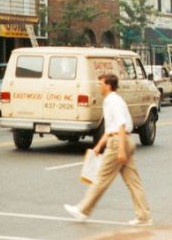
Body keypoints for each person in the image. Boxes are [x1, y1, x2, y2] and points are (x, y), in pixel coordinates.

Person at [64, 73, 152, 227]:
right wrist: (99, 146)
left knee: (101, 178)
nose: (98, 86)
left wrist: (121, 150)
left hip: (119, 141)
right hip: (123, 139)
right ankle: (144, 217)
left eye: (101, 84)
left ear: (109, 86)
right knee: (134, 182)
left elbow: (121, 124)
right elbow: (111, 128)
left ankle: (82, 209)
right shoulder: (112, 100)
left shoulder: (113, 101)